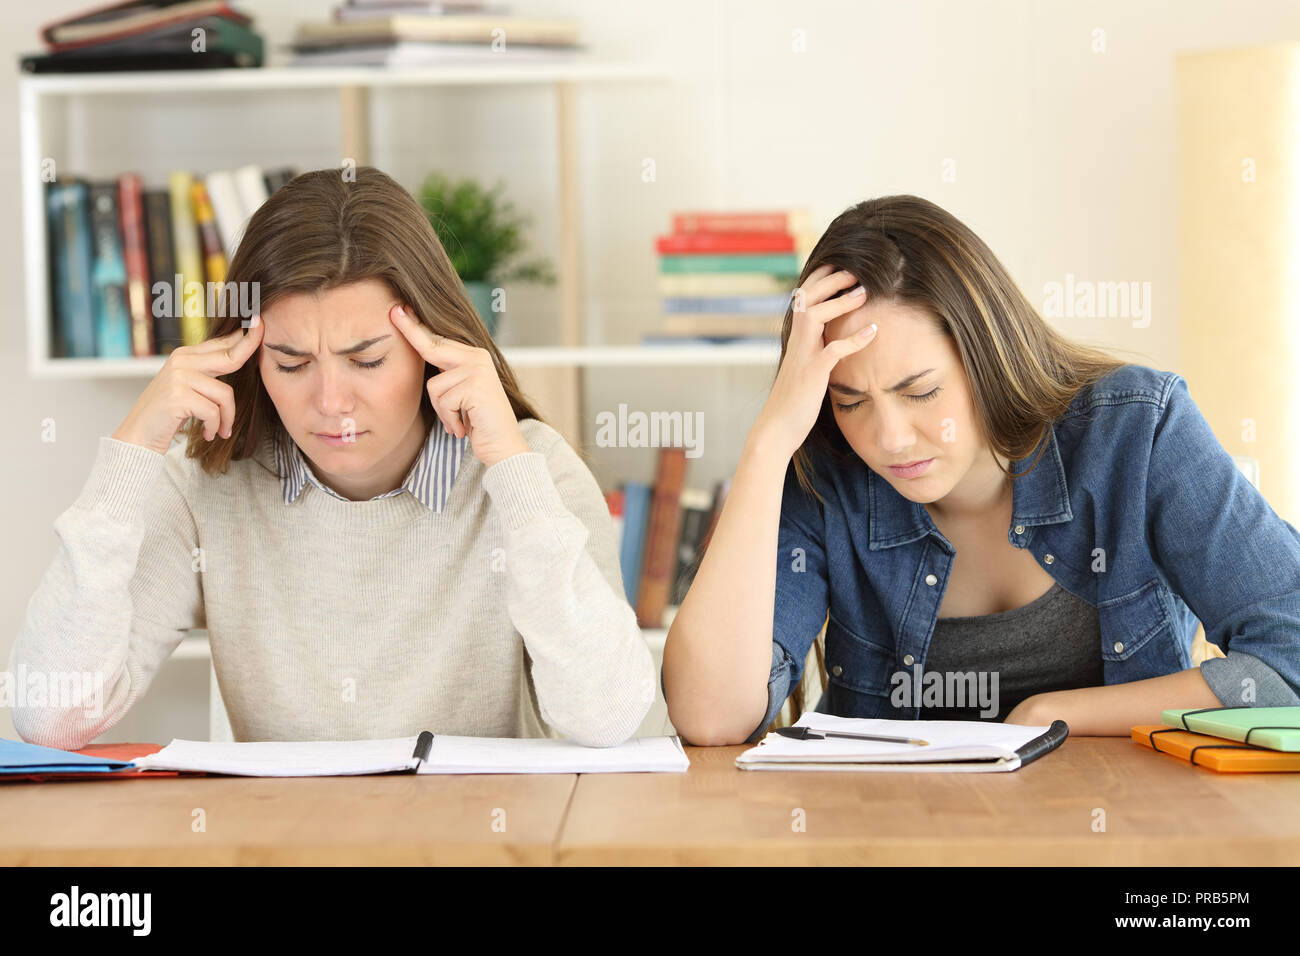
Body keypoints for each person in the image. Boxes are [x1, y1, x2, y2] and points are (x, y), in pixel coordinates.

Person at [11, 166, 654, 750]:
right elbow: (50, 717)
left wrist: (510, 468)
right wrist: (132, 453)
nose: (329, 401)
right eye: (290, 363)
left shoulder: (528, 470)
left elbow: (607, 716)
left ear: (433, 347)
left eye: (366, 360)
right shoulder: (208, 480)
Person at [663, 194, 1300, 746]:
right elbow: (711, 716)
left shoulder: (1136, 433)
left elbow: (1289, 658)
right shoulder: (826, 475)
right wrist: (769, 443)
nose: (887, 438)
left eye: (920, 392)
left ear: (986, 357)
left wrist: (1057, 714)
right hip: (890, 838)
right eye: (849, 400)